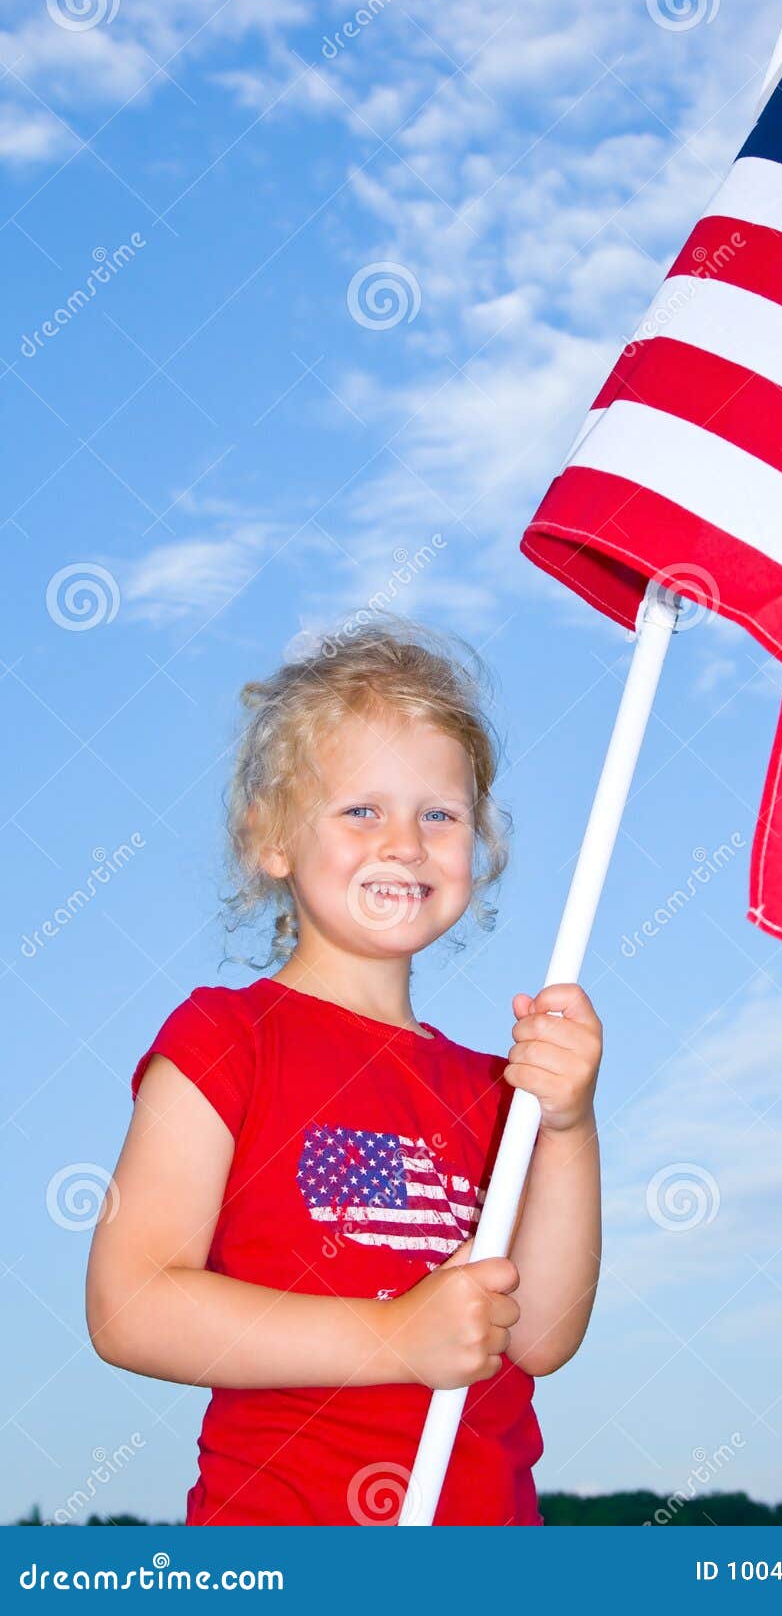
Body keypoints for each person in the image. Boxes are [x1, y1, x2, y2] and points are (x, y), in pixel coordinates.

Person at [85, 616, 603, 1526]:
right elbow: (131, 1307)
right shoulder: (226, 1038)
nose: (403, 841)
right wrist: (393, 1338)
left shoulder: (497, 1088)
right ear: (272, 839)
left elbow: (543, 1335)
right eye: (361, 809)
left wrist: (565, 1125)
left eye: (438, 814)